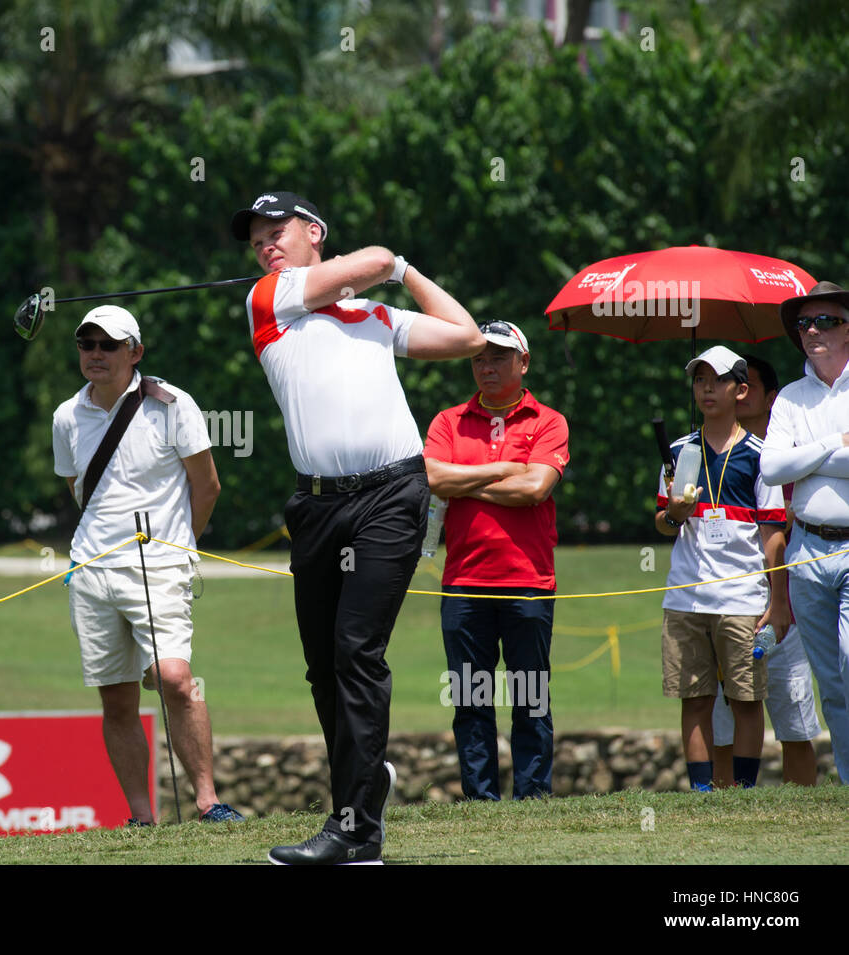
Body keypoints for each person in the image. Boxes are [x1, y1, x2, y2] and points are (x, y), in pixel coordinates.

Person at [230, 191, 484, 864]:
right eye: (255, 237)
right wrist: (383, 262)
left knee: (355, 651)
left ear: (314, 231)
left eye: (276, 230)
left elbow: (466, 335)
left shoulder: (373, 314)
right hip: (314, 508)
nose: (264, 243)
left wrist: (402, 270)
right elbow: (364, 259)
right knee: (322, 668)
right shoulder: (269, 299)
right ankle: (364, 787)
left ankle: (354, 825)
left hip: (390, 497)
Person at [51, 305, 243, 825]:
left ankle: (208, 802)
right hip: (91, 570)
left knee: (173, 678)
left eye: (107, 345)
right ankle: (141, 817)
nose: (95, 354)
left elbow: (207, 486)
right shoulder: (66, 415)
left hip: (159, 564)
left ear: (135, 352)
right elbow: (78, 489)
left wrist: (179, 546)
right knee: (116, 699)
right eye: (86, 344)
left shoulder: (172, 404)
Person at [422, 321, 569, 800]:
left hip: (528, 580)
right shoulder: (448, 421)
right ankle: (480, 800)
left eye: (498, 357)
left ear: (522, 363)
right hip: (463, 582)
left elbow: (535, 489)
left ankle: (533, 797)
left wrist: (466, 477)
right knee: (470, 699)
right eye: (479, 358)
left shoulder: (548, 421)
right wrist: (504, 468)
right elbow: (432, 480)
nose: (486, 366)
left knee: (530, 697)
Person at [657, 346, 789, 791]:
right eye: (699, 381)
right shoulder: (677, 451)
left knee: (746, 700)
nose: (707, 389)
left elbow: (773, 534)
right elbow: (663, 524)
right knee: (694, 699)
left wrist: (778, 600)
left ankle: (745, 791)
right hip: (685, 597)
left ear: (741, 390)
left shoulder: (760, 454)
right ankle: (701, 791)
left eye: (717, 380)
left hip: (743, 599)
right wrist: (675, 512)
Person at [711, 353, 821, 786]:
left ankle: (803, 803)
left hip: (783, 603)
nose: (736, 391)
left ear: (771, 398)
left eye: (747, 383)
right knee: (723, 721)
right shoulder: (708, 453)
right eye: (724, 381)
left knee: (795, 721)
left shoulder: (789, 455)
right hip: (725, 602)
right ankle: (721, 806)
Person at [762, 281, 849, 785]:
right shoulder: (791, 397)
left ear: (847, 328)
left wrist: (807, 454)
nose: (811, 331)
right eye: (803, 324)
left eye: (825, 322)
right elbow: (772, 469)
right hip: (805, 551)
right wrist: (834, 444)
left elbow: (787, 462)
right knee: (832, 684)